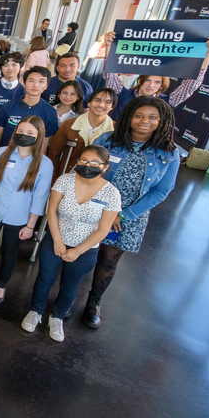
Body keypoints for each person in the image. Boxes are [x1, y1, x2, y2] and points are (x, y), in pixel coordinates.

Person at [81, 96, 180, 330]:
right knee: (82, 251)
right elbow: (88, 172)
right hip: (95, 207)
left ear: (162, 121)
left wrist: (123, 214)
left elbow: (161, 192)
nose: (145, 121)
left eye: (152, 117)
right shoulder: (107, 140)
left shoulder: (168, 153)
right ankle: (66, 294)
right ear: (129, 117)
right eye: (139, 115)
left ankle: (94, 301)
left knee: (108, 259)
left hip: (127, 218)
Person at [23, 145, 120, 342]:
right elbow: (51, 212)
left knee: (70, 286)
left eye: (94, 163)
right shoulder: (65, 180)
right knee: (45, 279)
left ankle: (57, 317)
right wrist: (58, 242)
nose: (87, 166)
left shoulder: (111, 194)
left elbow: (103, 230)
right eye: (83, 161)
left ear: (105, 167)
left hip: (85, 250)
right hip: (55, 241)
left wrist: (77, 251)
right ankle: (35, 311)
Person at [0, 117, 53, 303]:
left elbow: (40, 198)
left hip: (19, 217)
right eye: (21, 131)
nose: (24, 135)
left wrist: (31, 225)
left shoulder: (44, 164)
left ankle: (0, 286)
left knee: (9, 253)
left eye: (30, 133)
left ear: (39, 136)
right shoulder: (2, 153)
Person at [96, 31, 209, 120]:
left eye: (157, 82)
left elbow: (191, 85)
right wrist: (108, 47)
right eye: (148, 81)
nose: (151, 85)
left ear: (161, 86)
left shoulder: (167, 102)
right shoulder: (122, 94)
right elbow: (110, 75)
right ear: (139, 81)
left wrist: (208, 54)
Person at [0, 67, 61, 155]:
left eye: (41, 81)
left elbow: (44, 143)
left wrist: (38, 164)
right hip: (6, 155)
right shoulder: (8, 106)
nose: (35, 85)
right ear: (24, 83)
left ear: (46, 86)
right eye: (31, 81)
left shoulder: (50, 112)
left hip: (31, 159)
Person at [47, 88, 116, 177]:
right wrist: (55, 180)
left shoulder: (115, 129)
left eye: (107, 102)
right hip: (69, 176)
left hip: (97, 179)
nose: (101, 105)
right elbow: (54, 155)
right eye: (97, 100)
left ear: (111, 107)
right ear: (89, 103)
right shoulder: (69, 125)